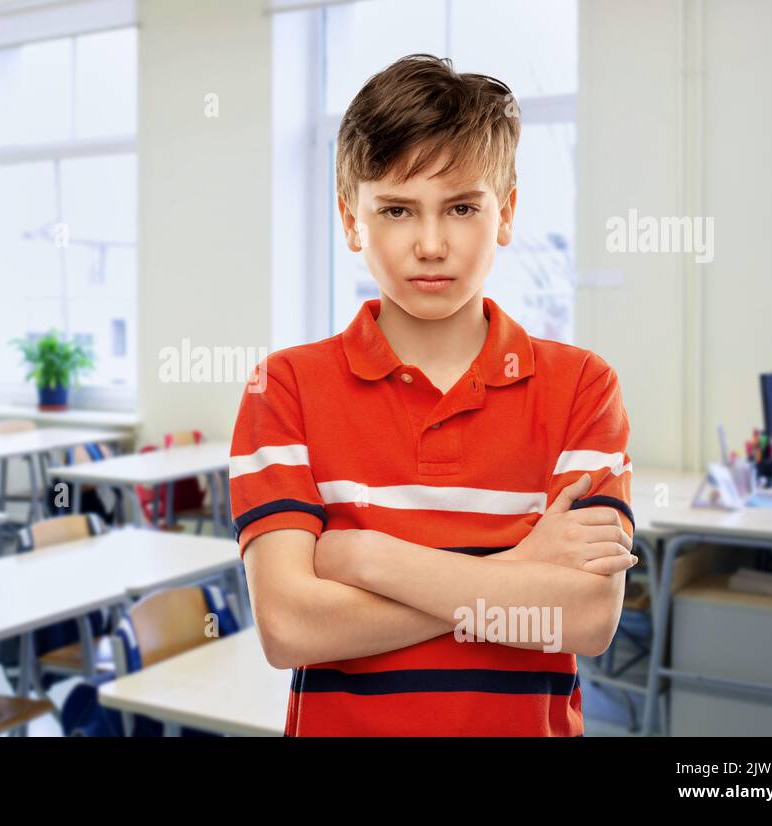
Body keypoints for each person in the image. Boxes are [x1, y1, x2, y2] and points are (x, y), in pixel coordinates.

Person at [229, 54, 636, 736]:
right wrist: (516, 567)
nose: (430, 243)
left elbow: (587, 617)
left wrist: (366, 558)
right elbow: (290, 627)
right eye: (395, 209)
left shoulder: (581, 387)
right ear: (351, 220)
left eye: (462, 207)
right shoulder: (286, 388)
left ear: (504, 213)